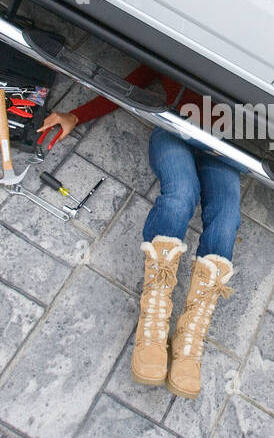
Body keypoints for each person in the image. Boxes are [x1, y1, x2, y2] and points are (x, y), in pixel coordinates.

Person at [38, 65, 243, 399]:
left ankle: (190, 337)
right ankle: (154, 318)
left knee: (227, 219)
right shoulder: (182, 38)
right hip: (174, 129)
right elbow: (130, 83)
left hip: (225, 147)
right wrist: (76, 115)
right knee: (180, 195)